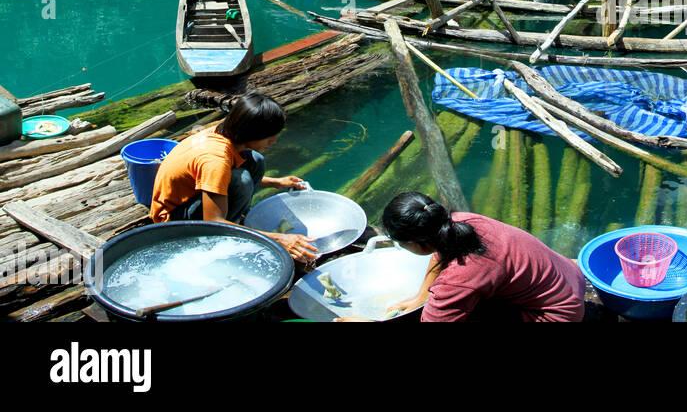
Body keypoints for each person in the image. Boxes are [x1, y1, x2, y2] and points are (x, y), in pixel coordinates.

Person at [344, 192, 586, 322]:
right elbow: (440, 254)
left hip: (555, 314)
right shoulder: (459, 222)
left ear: (417, 244)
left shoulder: (460, 277)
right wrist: (420, 297)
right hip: (569, 280)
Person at [149, 92, 318, 264]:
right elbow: (214, 222)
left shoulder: (224, 134)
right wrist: (279, 239)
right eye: (269, 136)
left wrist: (276, 182)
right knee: (241, 181)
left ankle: (238, 218)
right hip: (172, 222)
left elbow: (219, 179)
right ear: (251, 133)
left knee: (255, 160)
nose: (274, 141)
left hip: (191, 198)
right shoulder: (216, 160)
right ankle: (224, 238)